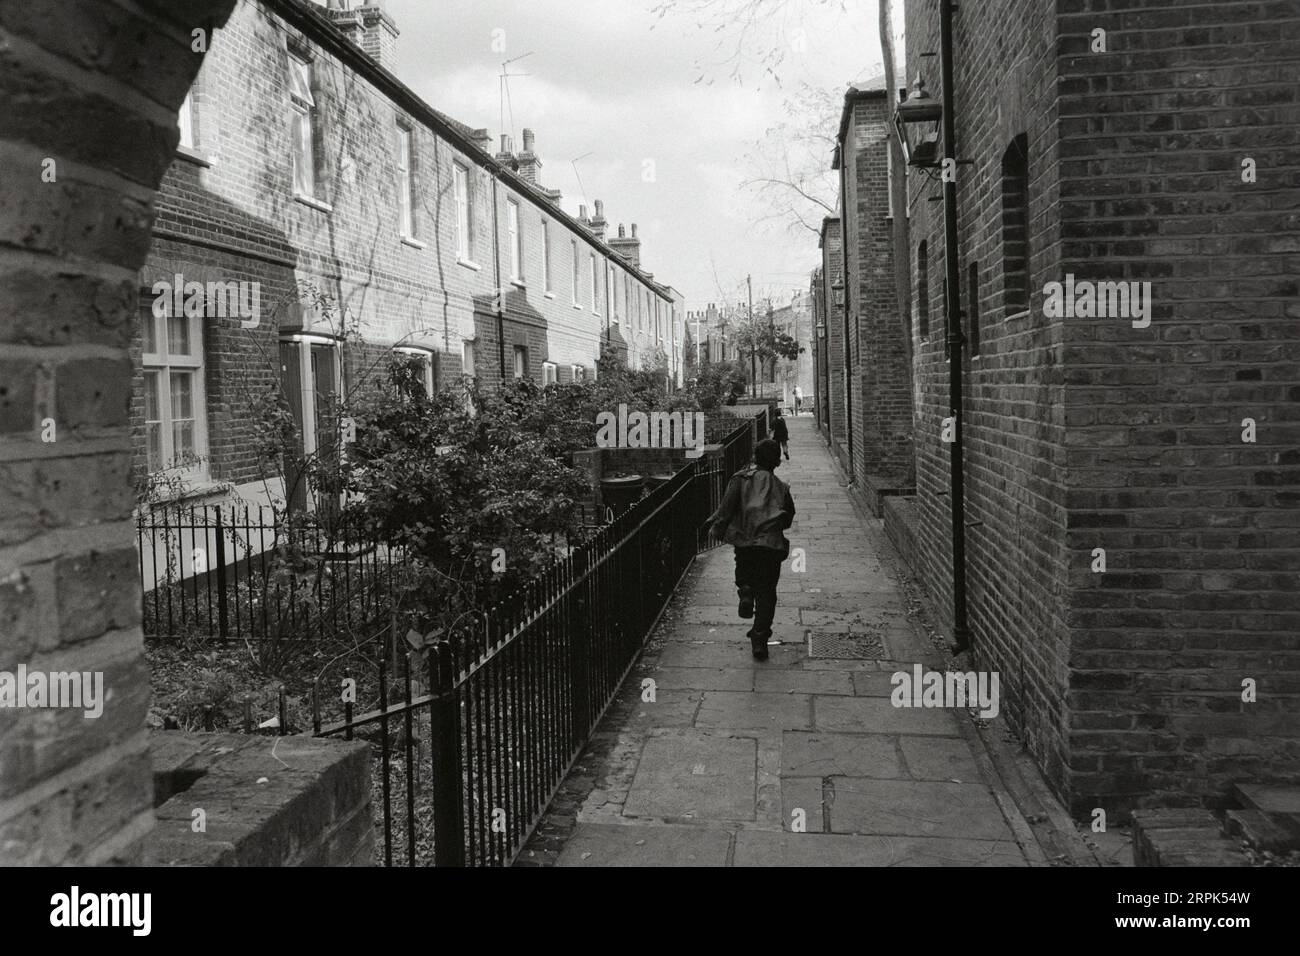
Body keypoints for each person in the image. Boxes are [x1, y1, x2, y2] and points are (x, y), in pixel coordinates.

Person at [707, 438, 796, 660]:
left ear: (755, 458)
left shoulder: (740, 479)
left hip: (745, 543)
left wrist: (716, 529)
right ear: (776, 462)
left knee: (744, 572)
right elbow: (788, 519)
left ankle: (746, 591)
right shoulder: (782, 488)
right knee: (767, 593)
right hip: (770, 546)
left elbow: (726, 510)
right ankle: (759, 640)